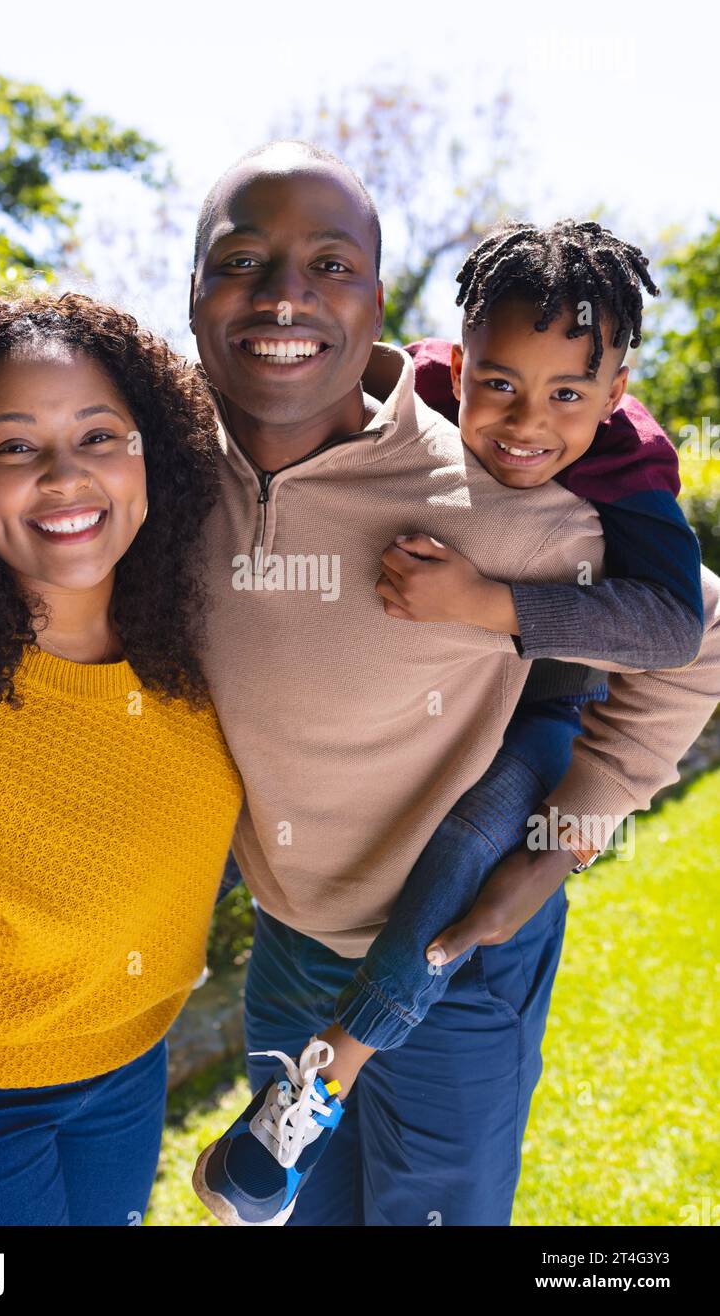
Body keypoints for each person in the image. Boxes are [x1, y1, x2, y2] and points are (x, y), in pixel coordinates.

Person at [187, 141, 720, 1225]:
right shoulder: (171, 457)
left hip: (491, 884)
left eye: (568, 394)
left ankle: (348, 1049)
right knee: (295, 1204)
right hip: (291, 933)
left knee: (478, 836)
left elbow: (689, 630)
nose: (527, 424)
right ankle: (316, 1083)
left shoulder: (577, 481)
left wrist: (558, 848)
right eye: (499, 385)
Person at [0, 292, 243, 1226]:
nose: (66, 476)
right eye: (15, 446)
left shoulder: (192, 649)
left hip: (132, 1068)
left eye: (99, 436)